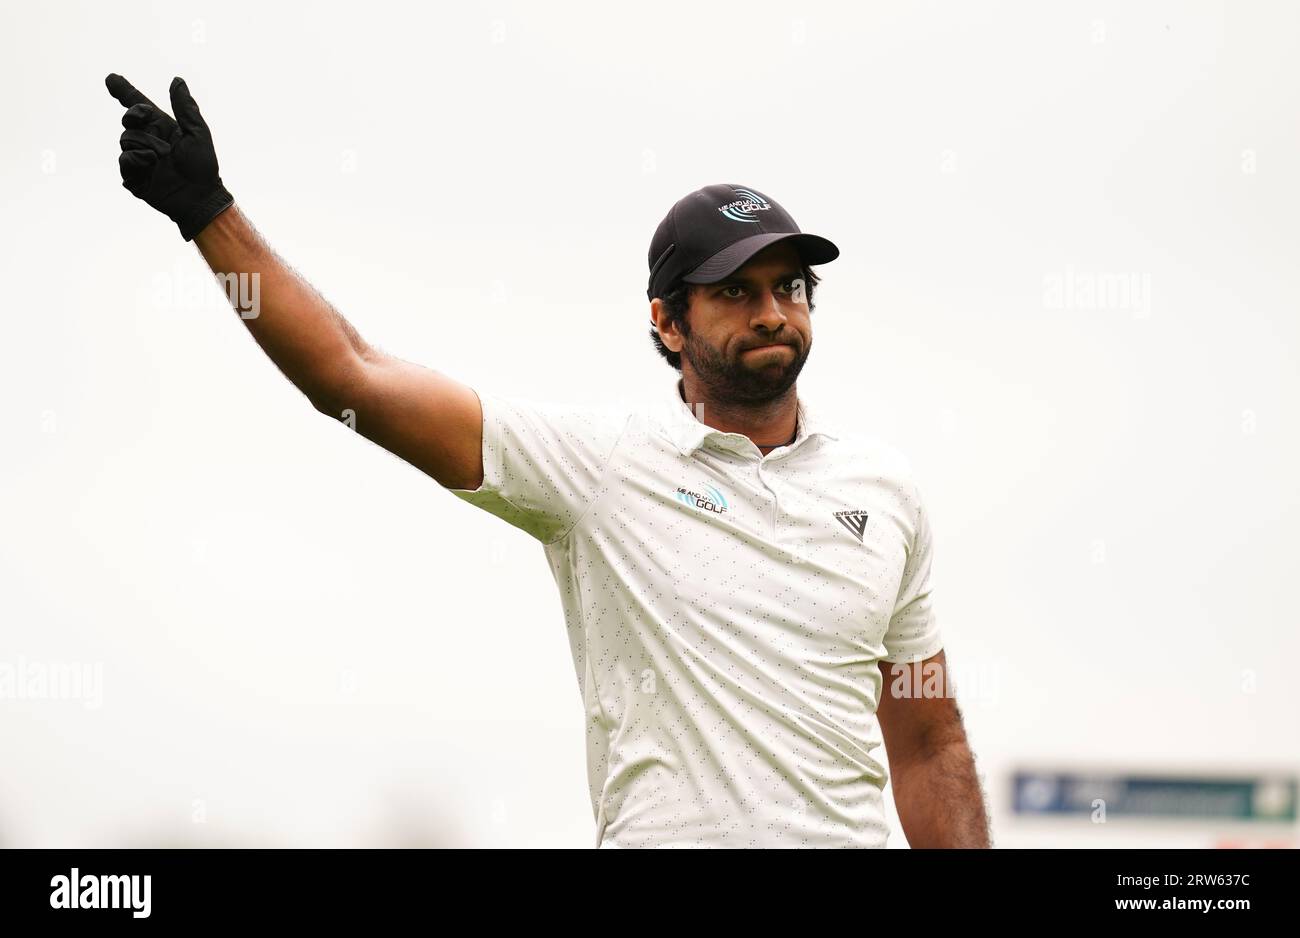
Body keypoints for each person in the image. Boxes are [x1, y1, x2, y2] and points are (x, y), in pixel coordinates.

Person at [105, 73, 992, 848]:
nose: (771, 312)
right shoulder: (600, 466)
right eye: (734, 292)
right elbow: (353, 378)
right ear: (668, 323)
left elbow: (927, 736)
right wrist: (210, 217)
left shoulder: (885, 493)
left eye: (789, 288)